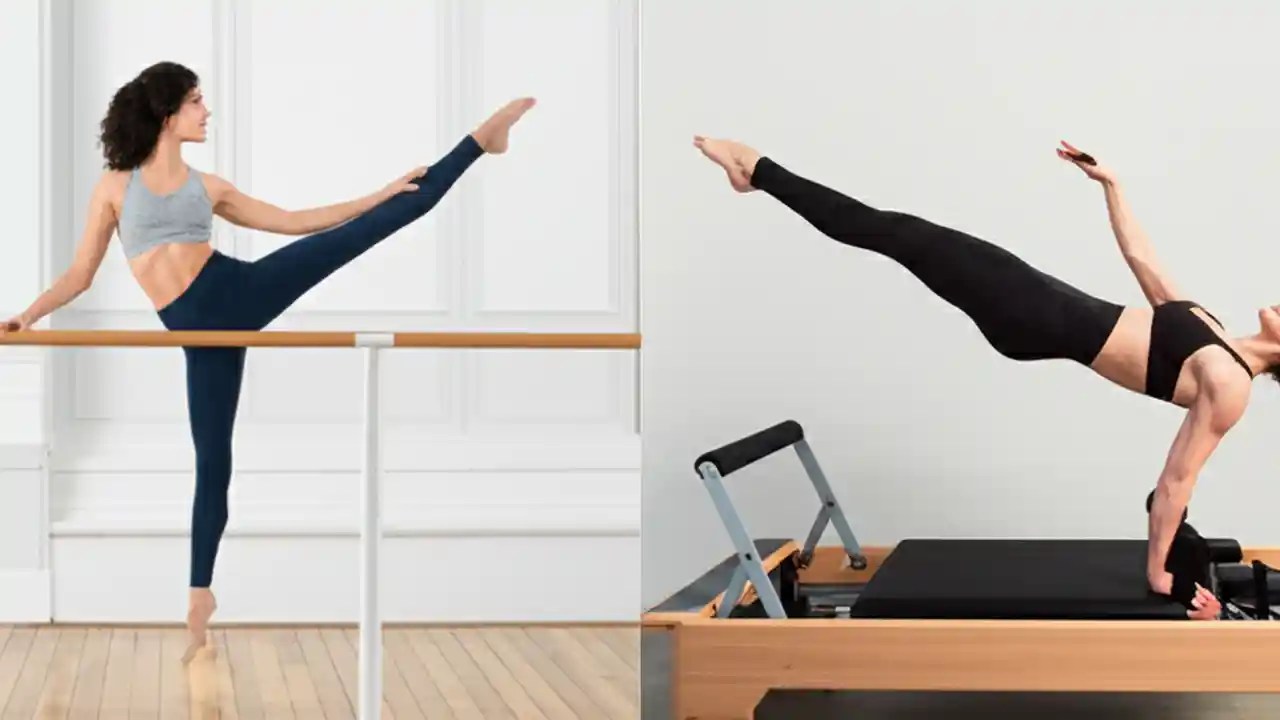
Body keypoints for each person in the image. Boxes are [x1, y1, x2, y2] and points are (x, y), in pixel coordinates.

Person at [1, 60, 536, 659]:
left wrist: (379, 193)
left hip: (240, 295)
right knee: (214, 464)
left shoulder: (209, 188)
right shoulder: (113, 188)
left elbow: (296, 223)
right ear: (166, 112)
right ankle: (200, 596)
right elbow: (80, 275)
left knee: (375, 224)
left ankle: (477, 142)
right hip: (204, 338)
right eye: (197, 102)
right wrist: (28, 314)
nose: (207, 112)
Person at [693, 134, 1280, 621]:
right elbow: (1144, 264)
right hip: (1040, 301)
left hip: (1030, 312)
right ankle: (758, 174)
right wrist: (1113, 185)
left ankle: (757, 170)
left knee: (898, 233)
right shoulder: (1216, 332)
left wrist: (1158, 571)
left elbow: (1177, 479)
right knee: (900, 233)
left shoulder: (1230, 387)